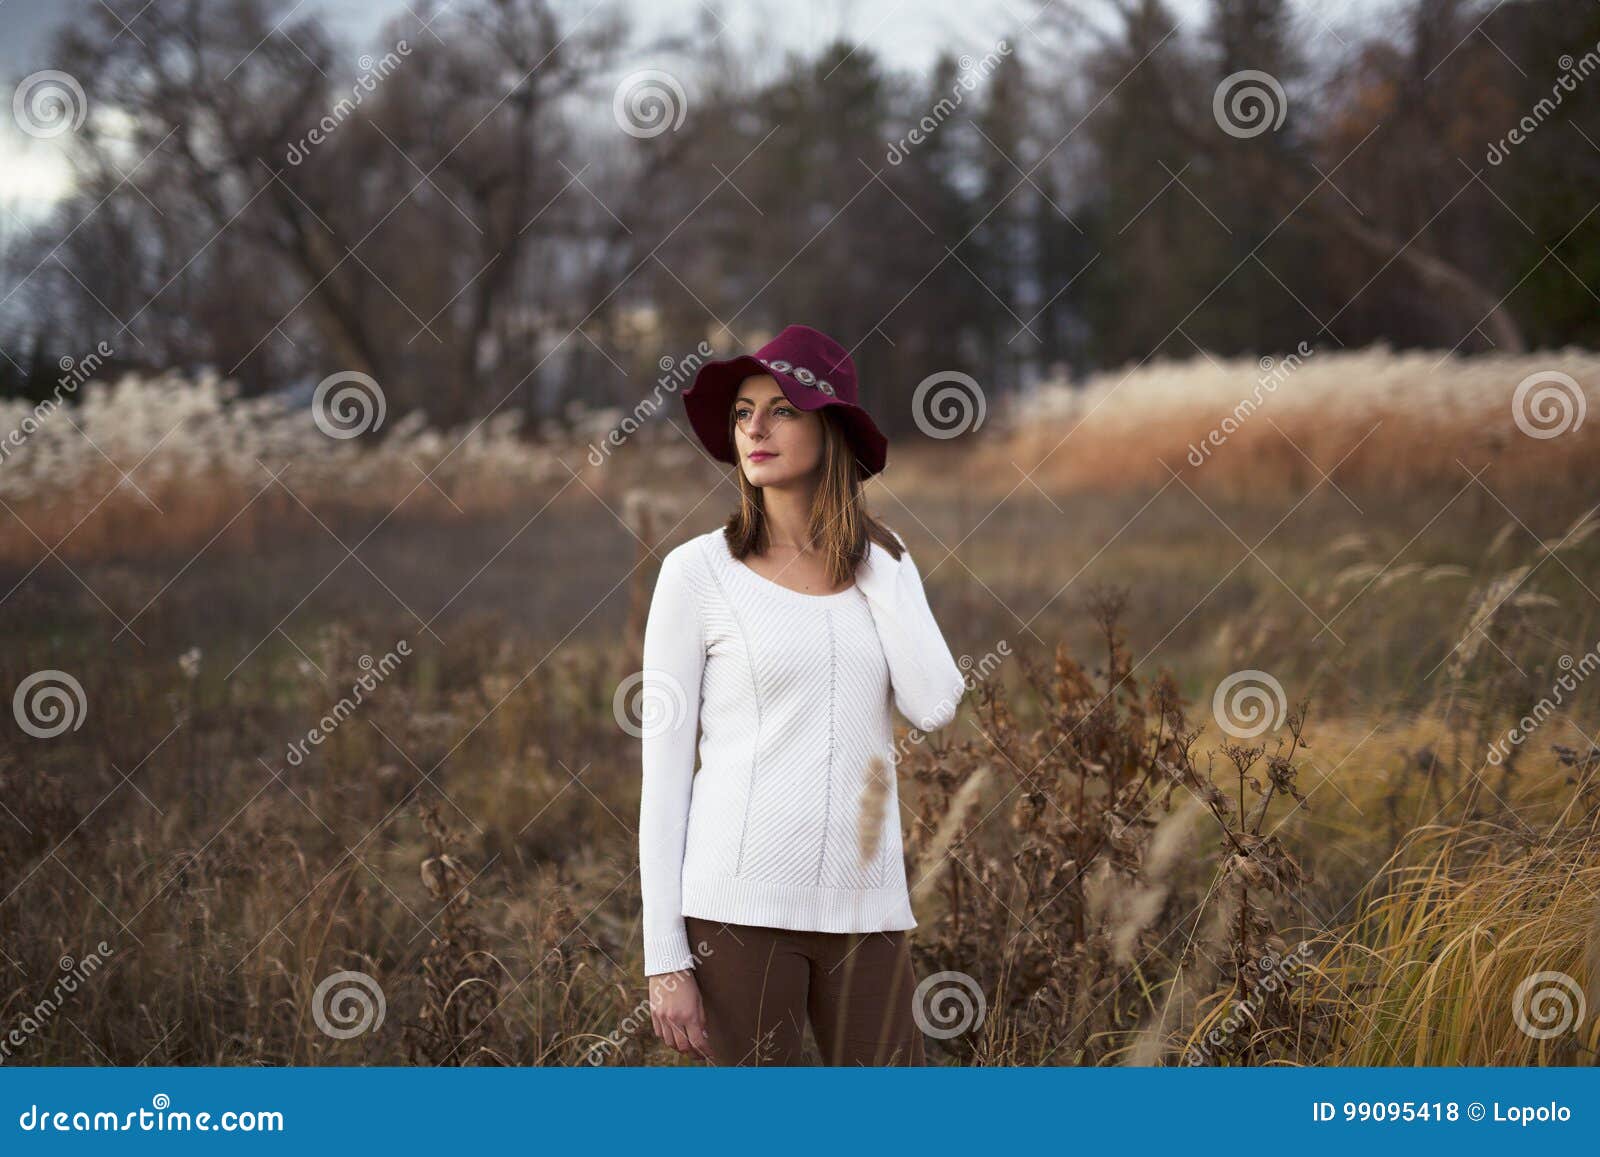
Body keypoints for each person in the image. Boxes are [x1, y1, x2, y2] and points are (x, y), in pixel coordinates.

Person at [638, 323, 967, 1065]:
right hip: (735, 914)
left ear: (832, 429)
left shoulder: (883, 563)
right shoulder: (696, 574)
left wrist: (873, 557)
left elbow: (935, 703)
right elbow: (663, 779)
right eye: (744, 410)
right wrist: (666, 956)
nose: (755, 426)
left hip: (868, 910)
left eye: (783, 408)